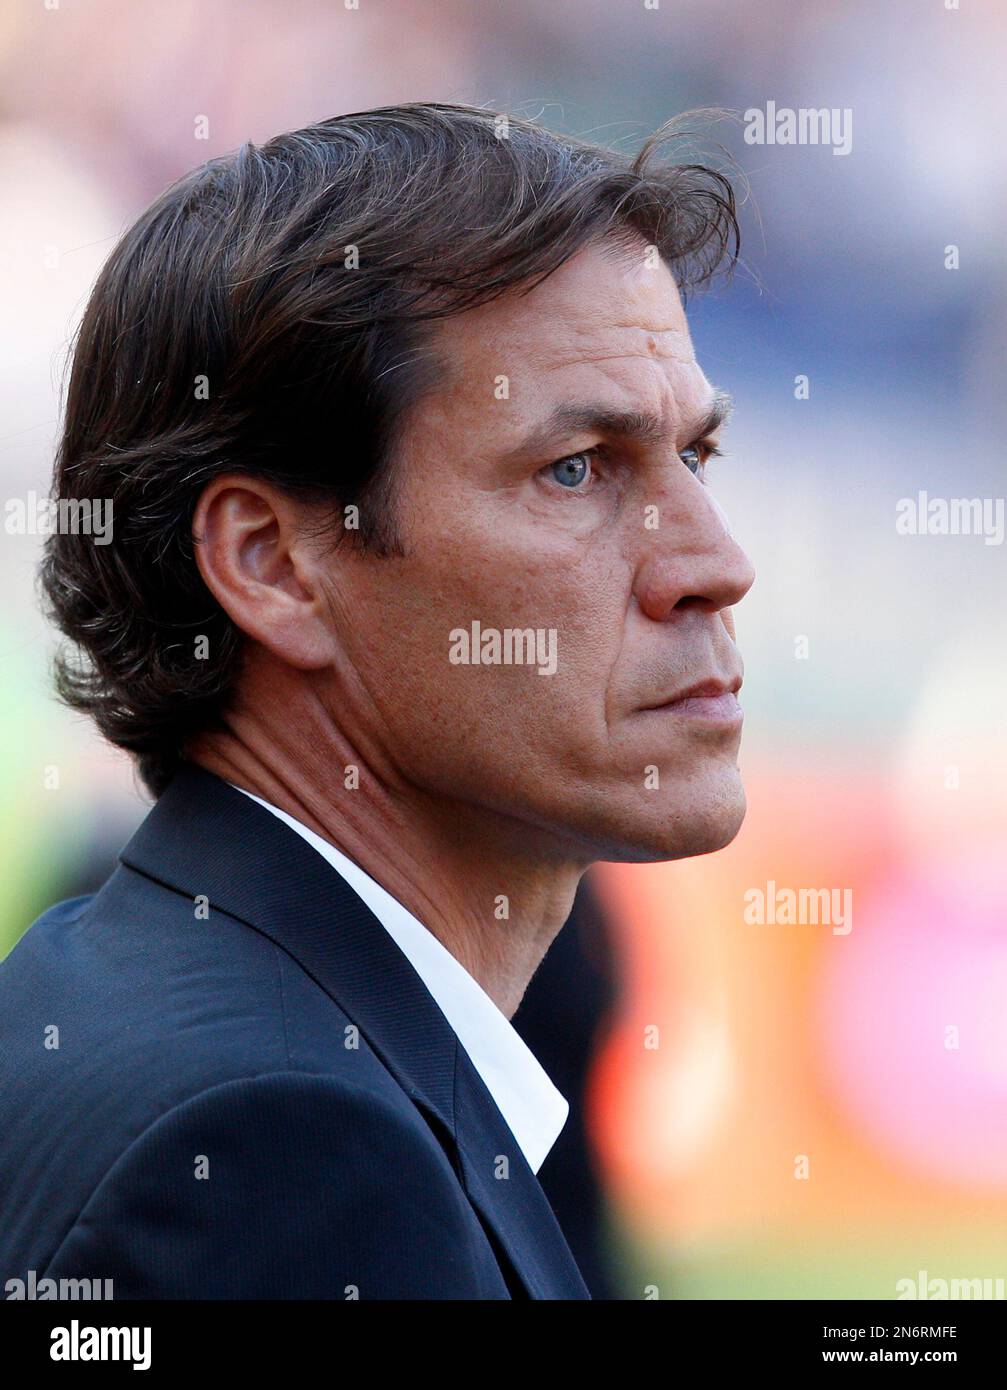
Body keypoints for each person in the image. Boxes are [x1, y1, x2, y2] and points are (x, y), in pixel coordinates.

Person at [0, 103, 754, 1300]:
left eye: (694, 458)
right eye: (575, 469)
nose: (714, 562)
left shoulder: (146, 999)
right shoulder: (279, 1149)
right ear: (271, 565)